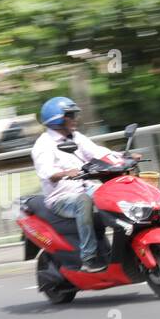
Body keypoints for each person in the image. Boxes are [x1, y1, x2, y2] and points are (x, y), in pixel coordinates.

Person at [30, 96, 134, 272]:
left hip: (85, 187)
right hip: (61, 198)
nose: (75, 119)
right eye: (70, 115)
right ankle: (89, 257)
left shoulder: (76, 137)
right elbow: (46, 172)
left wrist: (124, 158)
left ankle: (128, 240)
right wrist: (64, 173)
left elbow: (98, 153)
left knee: (115, 192)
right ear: (57, 119)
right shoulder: (43, 145)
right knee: (83, 201)